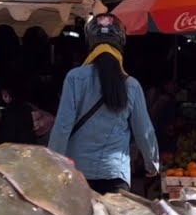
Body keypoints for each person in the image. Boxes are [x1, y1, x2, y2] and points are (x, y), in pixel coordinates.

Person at [49, 14, 159, 194]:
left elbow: (62, 126)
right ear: (121, 42)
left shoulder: (74, 78)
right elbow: (144, 131)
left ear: (90, 42)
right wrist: (152, 164)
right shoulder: (131, 85)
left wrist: (52, 164)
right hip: (115, 175)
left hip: (78, 173)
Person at [0, 80, 38, 145]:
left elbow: (5, 135)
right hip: (28, 145)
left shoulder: (9, 111)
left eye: (4, 95)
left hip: (14, 146)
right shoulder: (26, 107)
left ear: (7, 95)